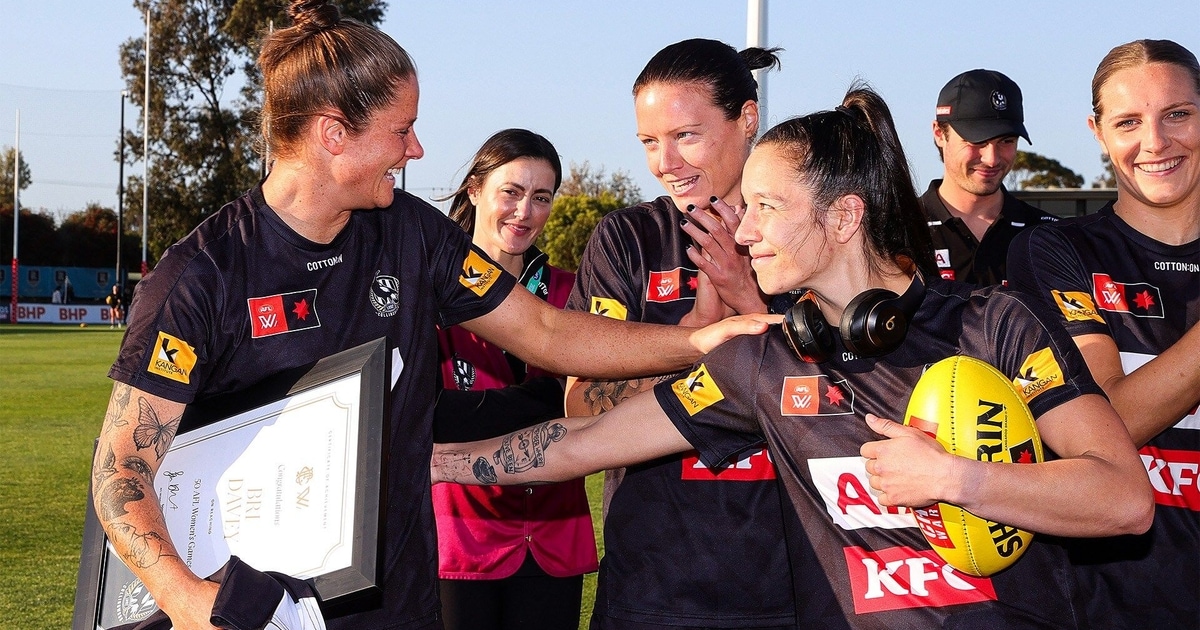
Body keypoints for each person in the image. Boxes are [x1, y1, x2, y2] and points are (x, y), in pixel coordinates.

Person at [89, 3, 772, 629]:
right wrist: (188, 601)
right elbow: (120, 468)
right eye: (403, 130)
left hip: (401, 607)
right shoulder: (200, 276)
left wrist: (697, 342)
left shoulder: (415, 235)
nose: (417, 151)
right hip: (253, 608)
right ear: (334, 135)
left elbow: (545, 331)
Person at [433, 86, 1154, 629]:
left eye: (766, 208)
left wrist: (955, 479)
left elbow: (1123, 500)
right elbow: (581, 442)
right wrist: (429, 460)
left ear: (843, 216)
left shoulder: (996, 323)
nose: (742, 231)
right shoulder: (767, 360)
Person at [563, 39, 795, 629]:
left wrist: (750, 302)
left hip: (792, 586)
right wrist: (690, 337)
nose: (665, 162)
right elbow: (581, 403)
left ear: (747, 119)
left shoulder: (807, 235)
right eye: (648, 141)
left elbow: (849, 398)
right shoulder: (627, 241)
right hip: (653, 587)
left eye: (685, 135)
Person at [1008, 39, 1200, 630]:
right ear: (1096, 131)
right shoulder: (1056, 249)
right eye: (1128, 122)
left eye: (1178, 114)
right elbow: (1110, 423)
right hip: (1110, 603)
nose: (1155, 142)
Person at [431, 129, 597, 630]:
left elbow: (591, 405)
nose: (525, 212)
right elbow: (425, 412)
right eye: (512, 192)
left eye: (541, 197)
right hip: (460, 539)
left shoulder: (571, 289)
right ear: (474, 189)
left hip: (555, 536)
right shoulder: (431, 290)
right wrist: (548, 398)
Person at [920, 69, 1058, 286]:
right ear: (939, 134)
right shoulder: (899, 231)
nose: (992, 159)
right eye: (976, 141)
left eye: (1006, 141)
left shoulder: (1049, 235)